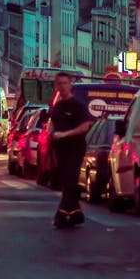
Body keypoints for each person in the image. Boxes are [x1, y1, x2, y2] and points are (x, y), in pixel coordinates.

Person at [48, 71, 93, 229]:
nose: (62, 86)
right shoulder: (58, 106)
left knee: (70, 180)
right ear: (56, 86)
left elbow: (84, 126)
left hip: (75, 148)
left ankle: (60, 214)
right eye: (59, 83)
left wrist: (65, 134)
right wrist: (50, 133)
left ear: (70, 85)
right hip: (60, 149)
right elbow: (52, 121)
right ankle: (76, 214)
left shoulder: (78, 106)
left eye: (65, 83)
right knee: (66, 182)